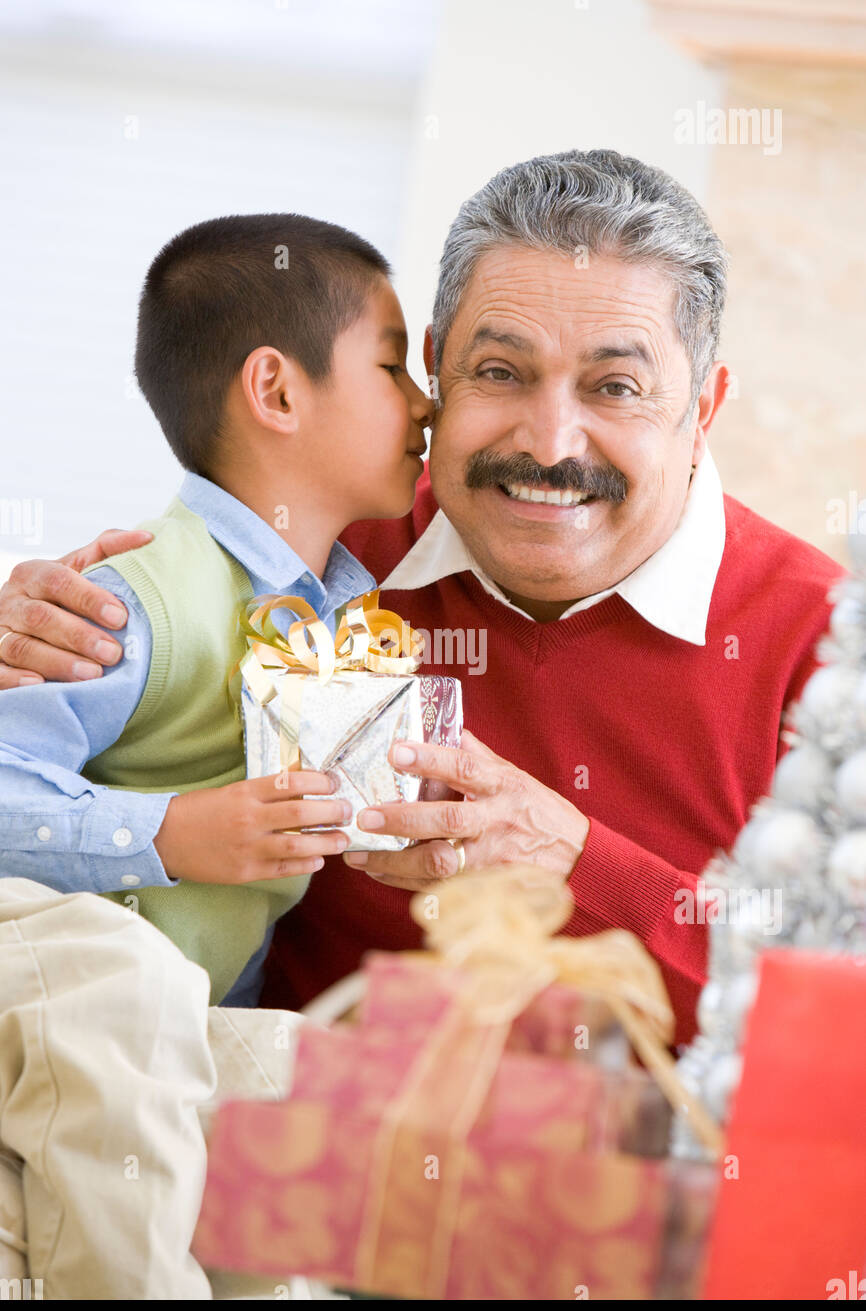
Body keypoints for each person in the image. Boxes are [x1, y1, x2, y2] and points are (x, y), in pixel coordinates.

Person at [0, 150, 846, 1043]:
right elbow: (76, 776)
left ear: (703, 409)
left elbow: (835, 1015)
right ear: (435, 368)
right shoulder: (319, 553)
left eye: (616, 388)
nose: (551, 443)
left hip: (634, 1166)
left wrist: (577, 866)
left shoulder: (825, 652)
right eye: (499, 371)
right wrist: (50, 634)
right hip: (274, 1139)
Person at [0, 213, 433, 1004]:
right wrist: (171, 833)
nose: (425, 405)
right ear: (277, 390)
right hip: (70, 1020)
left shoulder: (344, 611)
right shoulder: (133, 595)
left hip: (205, 1031)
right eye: (393, 368)